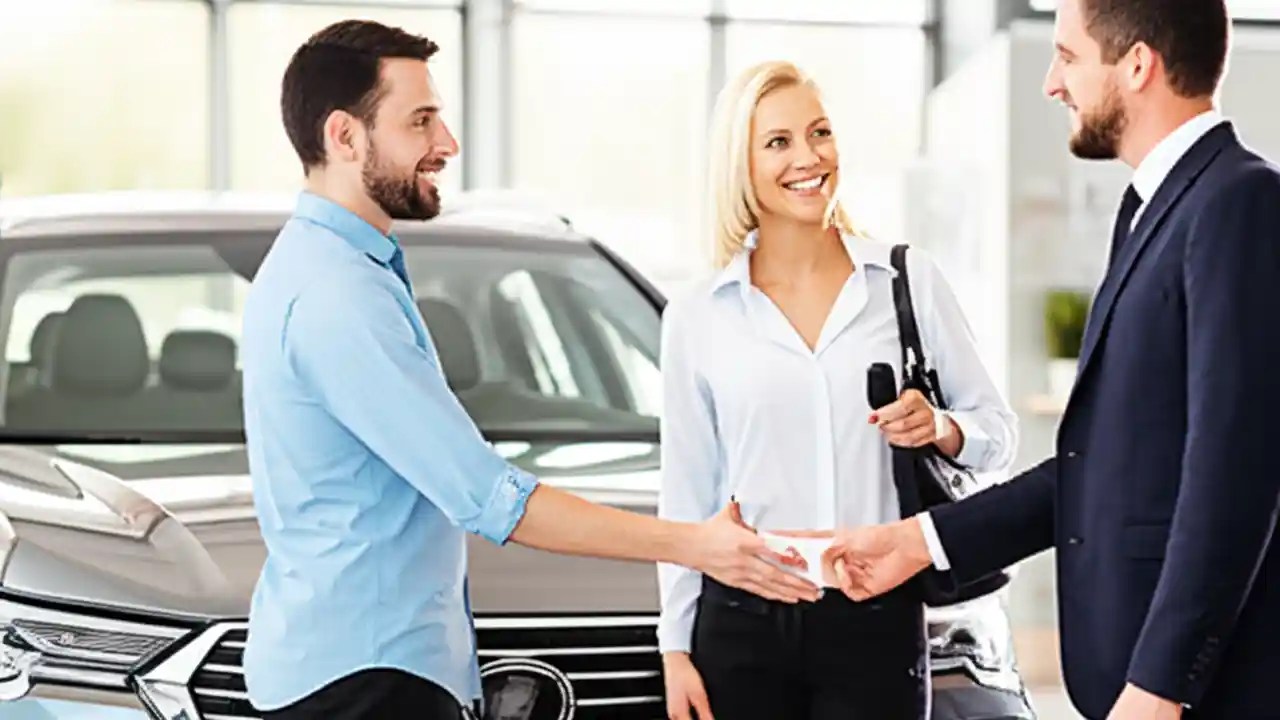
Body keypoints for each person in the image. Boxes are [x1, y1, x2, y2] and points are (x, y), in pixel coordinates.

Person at [240, 20, 822, 720]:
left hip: (365, 667)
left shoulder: (338, 269)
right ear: (344, 136)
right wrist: (696, 545)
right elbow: (488, 497)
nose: (446, 144)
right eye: (420, 121)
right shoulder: (336, 296)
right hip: (366, 682)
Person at [822, 1, 1280, 718]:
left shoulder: (1239, 203)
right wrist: (922, 540)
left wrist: (1161, 685)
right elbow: (1099, 466)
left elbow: (1237, 477)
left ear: (1137, 64)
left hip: (1189, 698)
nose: (1051, 83)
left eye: (1067, 56)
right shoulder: (1153, 211)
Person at [656, 60, 1019, 720]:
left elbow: (998, 434)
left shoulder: (906, 282)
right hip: (740, 619)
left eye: (819, 133)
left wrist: (940, 425)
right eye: (778, 142)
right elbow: (687, 492)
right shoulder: (698, 313)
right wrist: (675, 647)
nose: (808, 157)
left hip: (876, 615)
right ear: (739, 163)